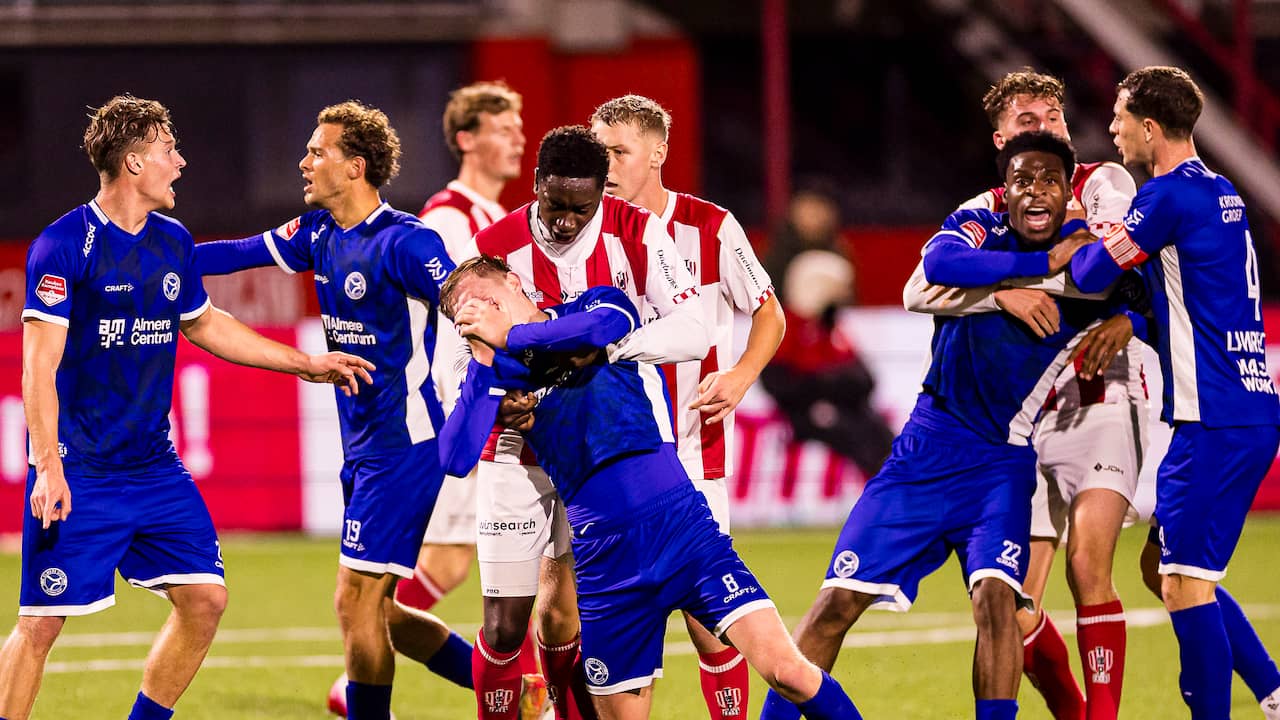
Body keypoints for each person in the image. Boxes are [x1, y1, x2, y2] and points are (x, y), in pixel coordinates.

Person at [0, 95, 374, 720]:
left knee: (205, 598)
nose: (181, 161)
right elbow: (37, 366)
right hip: (81, 470)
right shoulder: (63, 246)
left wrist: (308, 363)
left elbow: (206, 325)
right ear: (136, 162)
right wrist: (48, 465)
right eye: (170, 150)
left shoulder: (172, 241)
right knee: (40, 625)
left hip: (153, 469)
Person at [761, 131, 1129, 720]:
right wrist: (1017, 282)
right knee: (835, 604)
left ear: (1069, 195)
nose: (1036, 190)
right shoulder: (980, 233)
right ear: (1003, 192)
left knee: (996, 603)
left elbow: (1147, 288)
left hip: (1000, 465)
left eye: (1050, 181)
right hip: (923, 454)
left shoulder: (1088, 261)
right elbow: (936, 263)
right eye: (1022, 180)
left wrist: (1129, 321)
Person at [437, 254, 863, 720]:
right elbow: (454, 458)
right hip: (605, 564)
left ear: (514, 283)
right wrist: (483, 358)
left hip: (682, 530)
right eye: (463, 314)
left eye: (480, 298)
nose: (473, 312)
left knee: (788, 672)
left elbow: (604, 329)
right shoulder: (503, 372)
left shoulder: (593, 304)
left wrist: (508, 335)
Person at [194, 101, 472, 720]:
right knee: (383, 610)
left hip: (405, 445)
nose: (305, 161)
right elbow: (235, 253)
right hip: (364, 446)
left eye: (319, 151)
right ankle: (504, 682)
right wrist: (150, 254)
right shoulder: (318, 234)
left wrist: (501, 371)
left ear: (356, 167)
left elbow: (470, 307)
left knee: (354, 602)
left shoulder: (406, 242)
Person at [903, 68, 1146, 720]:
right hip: (1021, 421)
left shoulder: (1103, 185)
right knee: (1011, 605)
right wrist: (1002, 287)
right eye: (1026, 123)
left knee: (1090, 566)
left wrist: (1133, 320)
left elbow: (1118, 269)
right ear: (1000, 139)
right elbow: (921, 284)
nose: (1042, 131)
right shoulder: (987, 209)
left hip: (1101, 393)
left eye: (1052, 120)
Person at [458, 125, 713, 720]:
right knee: (503, 624)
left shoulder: (638, 231)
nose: (567, 222)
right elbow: (466, 336)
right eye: (555, 205)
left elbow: (694, 330)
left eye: (582, 208)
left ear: (603, 193)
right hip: (515, 450)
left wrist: (610, 350)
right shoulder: (495, 243)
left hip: (599, 454)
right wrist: (492, 397)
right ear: (537, 186)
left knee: (574, 609)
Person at [1065, 66, 1280, 719]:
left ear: (1150, 127)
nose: (1111, 128)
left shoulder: (1161, 199)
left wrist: (1078, 220)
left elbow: (1090, 272)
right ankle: (1273, 693)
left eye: (1120, 116)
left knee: (1182, 585)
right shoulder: (1222, 191)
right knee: (1170, 567)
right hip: (1245, 402)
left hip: (1210, 413)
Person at [321, 81, 528, 719]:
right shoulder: (446, 219)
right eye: (503, 127)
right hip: (454, 418)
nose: (518, 137)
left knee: (440, 576)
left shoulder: (502, 221)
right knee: (440, 571)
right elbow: (453, 322)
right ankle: (520, 694)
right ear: (466, 139)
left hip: (486, 416)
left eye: (519, 126)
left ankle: (520, 692)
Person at [588, 94, 784, 720]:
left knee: (712, 623)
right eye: (601, 153)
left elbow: (769, 313)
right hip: (605, 466)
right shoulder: (584, 228)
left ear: (659, 152)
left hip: (696, 458)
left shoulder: (710, 226)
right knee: (572, 618)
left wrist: (742, 374)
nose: (608, 165)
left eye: (619, 151)